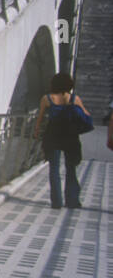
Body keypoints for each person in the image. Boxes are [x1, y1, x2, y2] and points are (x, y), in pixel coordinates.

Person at [33, 73, 90, 209]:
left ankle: (57, 202)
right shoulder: (74, 98)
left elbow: (39, 119)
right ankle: (72, 201)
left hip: (53, 135)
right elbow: (86, 115)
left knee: (54, 169)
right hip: (70, 136)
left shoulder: (47, 99)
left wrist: (36, 132)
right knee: (71, 168)